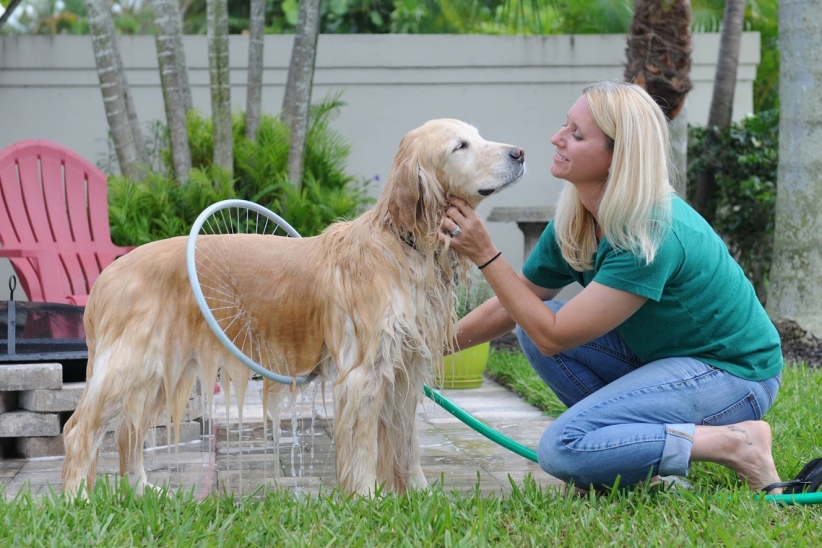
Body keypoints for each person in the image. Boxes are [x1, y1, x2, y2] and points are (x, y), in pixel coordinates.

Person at [440, 81, 784, 493]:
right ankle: (636, 458)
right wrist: (426, 349)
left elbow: (554, 339)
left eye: (577, 135)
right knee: (531, 318)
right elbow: (516, 305)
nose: (556, 138)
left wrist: (486, 255)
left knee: (563, 448)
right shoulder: (579, 218)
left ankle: (735, 443)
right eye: (564, 125)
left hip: (732, 376)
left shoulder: (648, 232)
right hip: (660, 362)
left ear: (617, 157)